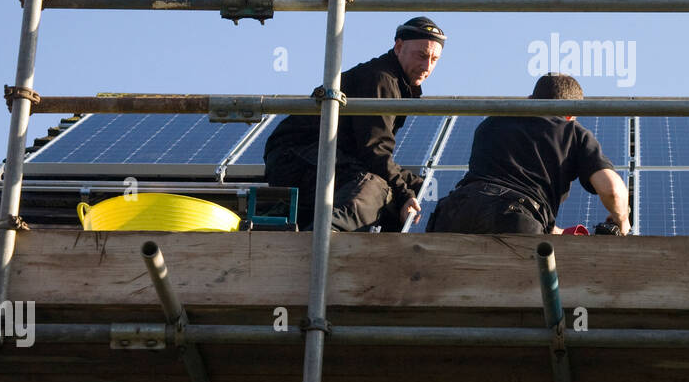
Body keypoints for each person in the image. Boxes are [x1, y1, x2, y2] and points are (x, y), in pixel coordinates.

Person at [263, 16, 445, 232]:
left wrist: (416, 185)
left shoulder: (396, 83)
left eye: (434, 60)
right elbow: (374, 152)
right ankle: (324, 239)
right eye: (422, 56)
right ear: (398, 47)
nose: (427, 66)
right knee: (375, 187)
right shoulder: (382, 80)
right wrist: (405, 192)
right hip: (297, 155)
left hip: (317, 156)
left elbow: (372, 154)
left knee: (392, 191)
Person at [426, 73, 631, 236]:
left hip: (455, 211)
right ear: (570, 115)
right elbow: (612, 190)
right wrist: (622, 221)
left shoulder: (490, 123)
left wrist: (556, 231)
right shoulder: (573, 132)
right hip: (514, 219)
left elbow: (497, 193)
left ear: (530, 99)